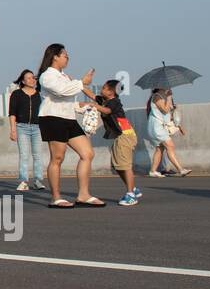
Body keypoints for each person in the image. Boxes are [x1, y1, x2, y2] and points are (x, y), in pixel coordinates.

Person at [36, 44, 102, 207]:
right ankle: (56, 197)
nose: (67, 57)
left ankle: (83, 195)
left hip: (68, 117)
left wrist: (87, 105)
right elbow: (61, 91)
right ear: (55, 57)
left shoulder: (64, 76)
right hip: (52, 118)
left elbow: (69, 97)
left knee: (87, 153)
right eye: (64, 54)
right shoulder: (47, 76)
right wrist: (82, 82)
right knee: (57, 158)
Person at [94, 79, 141, 205]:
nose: (101, 89)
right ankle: (133, 189)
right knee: (118, 166)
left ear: (110, 92)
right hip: (120, 136)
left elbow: (107, 111)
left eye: (104, 88)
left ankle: (131, 195)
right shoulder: (106, 101)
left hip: (125, 136)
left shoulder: (114, 102)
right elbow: (92, 96)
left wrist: (94, 106)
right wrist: (79, 85)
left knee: (125, 165)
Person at [8, 70, 45, 191]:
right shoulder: (17, 94)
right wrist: (13, 130)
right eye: (28, 78)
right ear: (23, 81)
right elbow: (12, 113)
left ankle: (38, 181)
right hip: (22, 127)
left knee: (38, 155)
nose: (32, 80)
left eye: (33, 78)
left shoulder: (39, 94)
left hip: (37, 127)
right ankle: (23, 181)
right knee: (24, 155)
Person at [147, 88, 191, 177]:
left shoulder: (162, 98)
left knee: (159, 149)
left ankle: (153, 171)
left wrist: (179, 126)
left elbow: (169, 115)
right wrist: (169, 97)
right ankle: (180, 169)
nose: (168, 87)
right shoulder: (156, 97)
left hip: (159, 127)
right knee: (170, 146)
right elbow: (165, 110)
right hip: (157, 127)